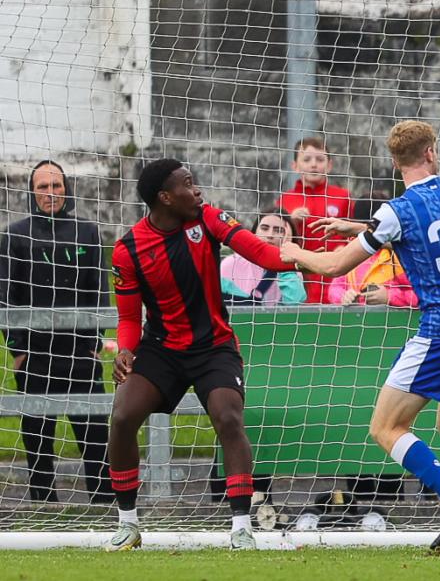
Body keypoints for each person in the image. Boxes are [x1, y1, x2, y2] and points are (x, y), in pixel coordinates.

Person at [282, 121, 440, 551]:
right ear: (431, 152)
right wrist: (360, 228)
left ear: (395, 163)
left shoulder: (396, 210)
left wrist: (295, 252)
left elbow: (336, 267)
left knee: (386, 427)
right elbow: (426, 234)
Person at [107, 159, 298, 551]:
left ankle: (241, 528)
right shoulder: (128, 250)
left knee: (228, 417)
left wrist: (312, 258)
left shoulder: (208, 219)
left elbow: (262, 254)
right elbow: (129, 316)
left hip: (214, 346)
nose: (198, 191)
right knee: (124, 414)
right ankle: (128, 523)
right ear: (164, 197)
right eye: (188, 184)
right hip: (162, 348)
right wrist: (126, 349)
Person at [0, 161, 111, 503]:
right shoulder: (14, 236)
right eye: (43, 187)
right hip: (35, 353)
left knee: (95, 432)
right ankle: (44, 504)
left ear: (67, 189)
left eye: (57, 186)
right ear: (32, 193)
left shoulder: (87, 232)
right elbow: (6, 297)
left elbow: (98, 290)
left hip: (80, 352)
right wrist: (18, 350)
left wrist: (94, 341)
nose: (51, 193)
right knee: (38, 434)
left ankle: (104, 501)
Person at [279, 137, 353, 304]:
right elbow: (277, 238)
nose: (314, 164)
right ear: (295, 166)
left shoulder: (342, 196)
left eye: (320, 159)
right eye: (307, 159)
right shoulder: (286, 200)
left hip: (336, 273)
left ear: (329, 165)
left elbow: (356, 232)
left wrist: (345, 246)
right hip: (301, 273)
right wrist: (291, 220)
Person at [219, 212, 307, 306]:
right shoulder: (230, 264)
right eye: (264, 228)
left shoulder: (292, 271)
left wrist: (286, 259)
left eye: (278, 230)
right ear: (254, 233)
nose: (270, 235)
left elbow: (294, 307)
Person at [326, 242, 418, 308]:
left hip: (395, 326)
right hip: (356, 325)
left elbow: (422, 296)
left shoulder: (402, 257)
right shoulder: (351, 254)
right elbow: (334, 288)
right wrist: (343, 296)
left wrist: (389, 296)